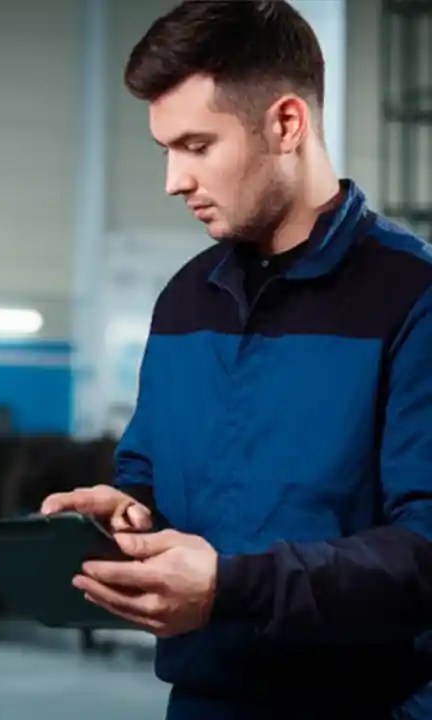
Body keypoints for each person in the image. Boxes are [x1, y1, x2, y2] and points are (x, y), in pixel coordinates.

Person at [40, 1, 432, 717]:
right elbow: (148, 473)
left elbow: (425, 548)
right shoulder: (186, 302)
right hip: (203, 700)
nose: (173, 180)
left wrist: (230, 586)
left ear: (286, 124)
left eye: (196, 146)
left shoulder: (412, 297)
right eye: (165, 150)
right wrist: (126, 509)